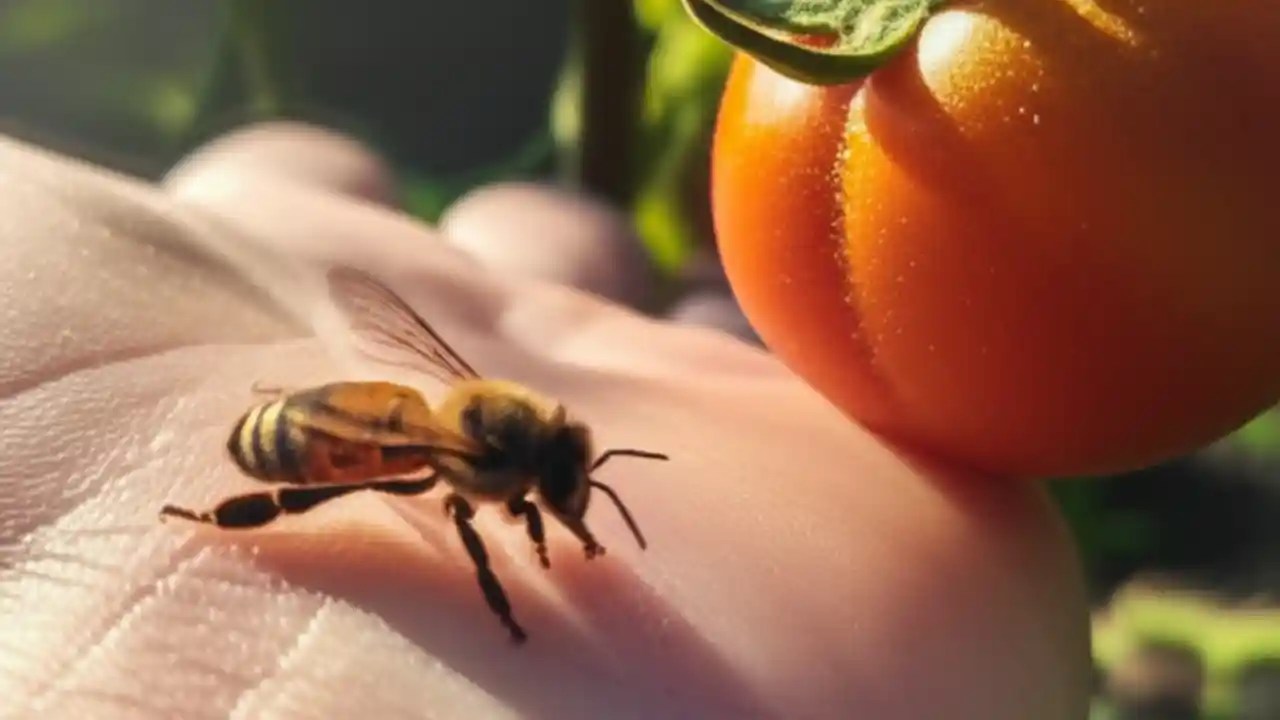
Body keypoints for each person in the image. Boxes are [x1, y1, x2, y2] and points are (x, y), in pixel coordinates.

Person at [0, 123, 1090, 719]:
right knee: (353, 479)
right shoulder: (476, 457)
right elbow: (485, 514)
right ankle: (225, 513)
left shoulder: (492, 423)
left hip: (370, 405)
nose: (564, 504)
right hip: (325, 431)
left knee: (389, 474)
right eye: (562, 492)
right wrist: (514, 616)